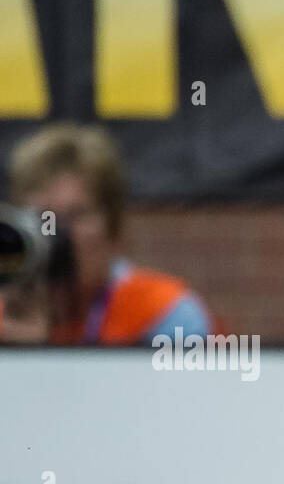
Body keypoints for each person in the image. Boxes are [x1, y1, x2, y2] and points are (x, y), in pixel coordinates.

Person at [7, 123, 211, 344]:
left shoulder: (162, 312)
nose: (57, 233)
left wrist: (40, 354)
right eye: (44, 217)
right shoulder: (5, 314)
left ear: (113, 225)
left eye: (74, 215)